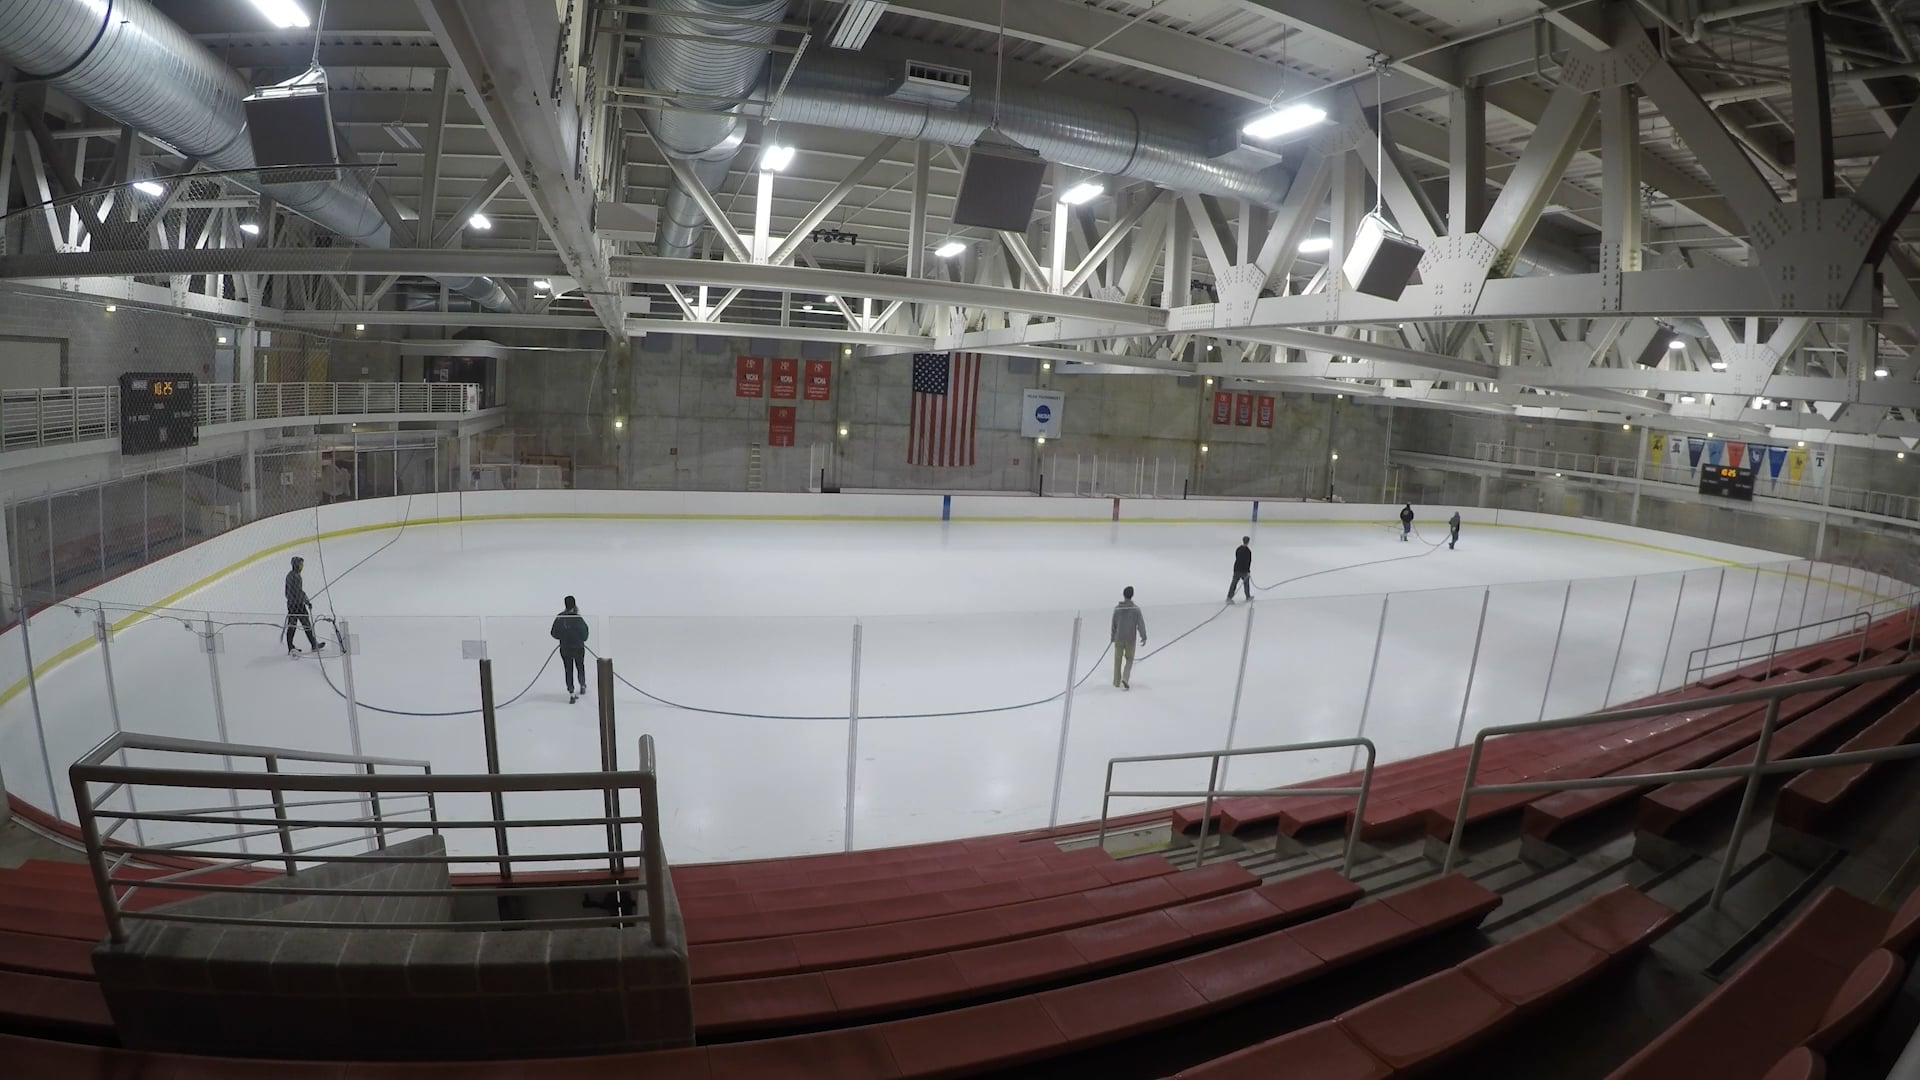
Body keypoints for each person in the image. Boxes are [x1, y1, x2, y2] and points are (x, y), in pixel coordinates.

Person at [550, 595, 590, 704]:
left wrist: (563, 637)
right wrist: (580, 639)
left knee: (568, 669)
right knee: (580, 666)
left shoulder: (560, 618)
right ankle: (582, 684)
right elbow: (585, 633)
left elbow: (553, 633)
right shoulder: (577, 618)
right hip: (578, 647)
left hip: (565, 648)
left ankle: (571, 692)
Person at [284, 555, 325, 656]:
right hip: (298, 605)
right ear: (296, 565)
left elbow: (289, 592)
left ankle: (291, 646)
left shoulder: (290, 575)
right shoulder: (296, 577)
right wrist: (306, 601)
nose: (302, 566)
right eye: (301, 564)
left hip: (292, 604)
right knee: (304, 624)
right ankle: (312, 644)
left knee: (293, 625)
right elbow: (299, 592)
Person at [1111, 586, 1147, 690]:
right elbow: (1141, 624)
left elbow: (1113, 624)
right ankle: (1125, 678)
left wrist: (1112, 637)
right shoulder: (1136, 609)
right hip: (1130, 639)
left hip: (1119, 638)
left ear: (1123, 595)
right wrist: (1143, 636)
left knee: (1117, 660)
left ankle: (1116, 682)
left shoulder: (1117, 609)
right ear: (1132, 595)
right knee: (1129, 659)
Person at [1228, 536, 1253, 603]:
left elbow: (1237, 557)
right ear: (1248, 542)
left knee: (1234, 584)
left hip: (1236, 568)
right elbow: (1248, 562)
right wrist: (1248, 571)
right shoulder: (1248, 551)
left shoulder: (1238, 549)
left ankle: (1229, 597)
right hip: (1244, 570)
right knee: (1246, 584)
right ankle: (1248, 596)